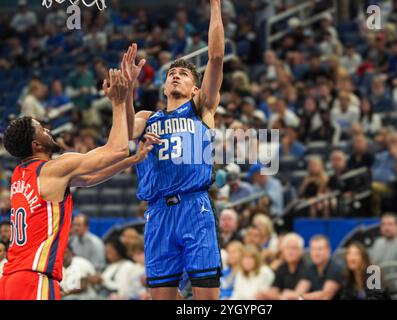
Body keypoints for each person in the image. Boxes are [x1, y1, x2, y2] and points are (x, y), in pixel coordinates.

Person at [77, 2, 225, 300]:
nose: (175, 75)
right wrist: (126, 93)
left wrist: (215, 5)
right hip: (157, 212)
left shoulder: (201, 109)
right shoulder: (148, 118)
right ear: (163, 86)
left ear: (196, 89)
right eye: (172, 73)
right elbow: (123, 135)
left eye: (183, 73)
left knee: (206, 299)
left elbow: (216, 55)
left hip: (194, 206)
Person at [0, 69, 134, 300]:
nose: (49, 130)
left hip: (10, 279)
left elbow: (88, 179)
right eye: (42, 129)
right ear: (36, 145)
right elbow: (117, 149)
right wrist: (119, 102)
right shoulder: (52, 169)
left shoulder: (19, 175)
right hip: (34, 278)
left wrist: (133, 160)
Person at [281, 235, 344, 300]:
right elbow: (299, 291)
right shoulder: (310, 268)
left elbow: (325, 296)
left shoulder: (336, 268)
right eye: (313, 249)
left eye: (320, 249)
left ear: (328, 250)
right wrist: (293, 296)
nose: (316, 253)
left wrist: (299, 296)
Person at [256, 233, 308, 300]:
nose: (290, 251)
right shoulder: (281, 268)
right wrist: (266, 295)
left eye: (294, 248)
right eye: (287, 248)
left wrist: (280, 296)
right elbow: (273, 291)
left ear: (301, 251)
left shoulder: (306, 268)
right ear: (283, 251)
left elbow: (296, 296)